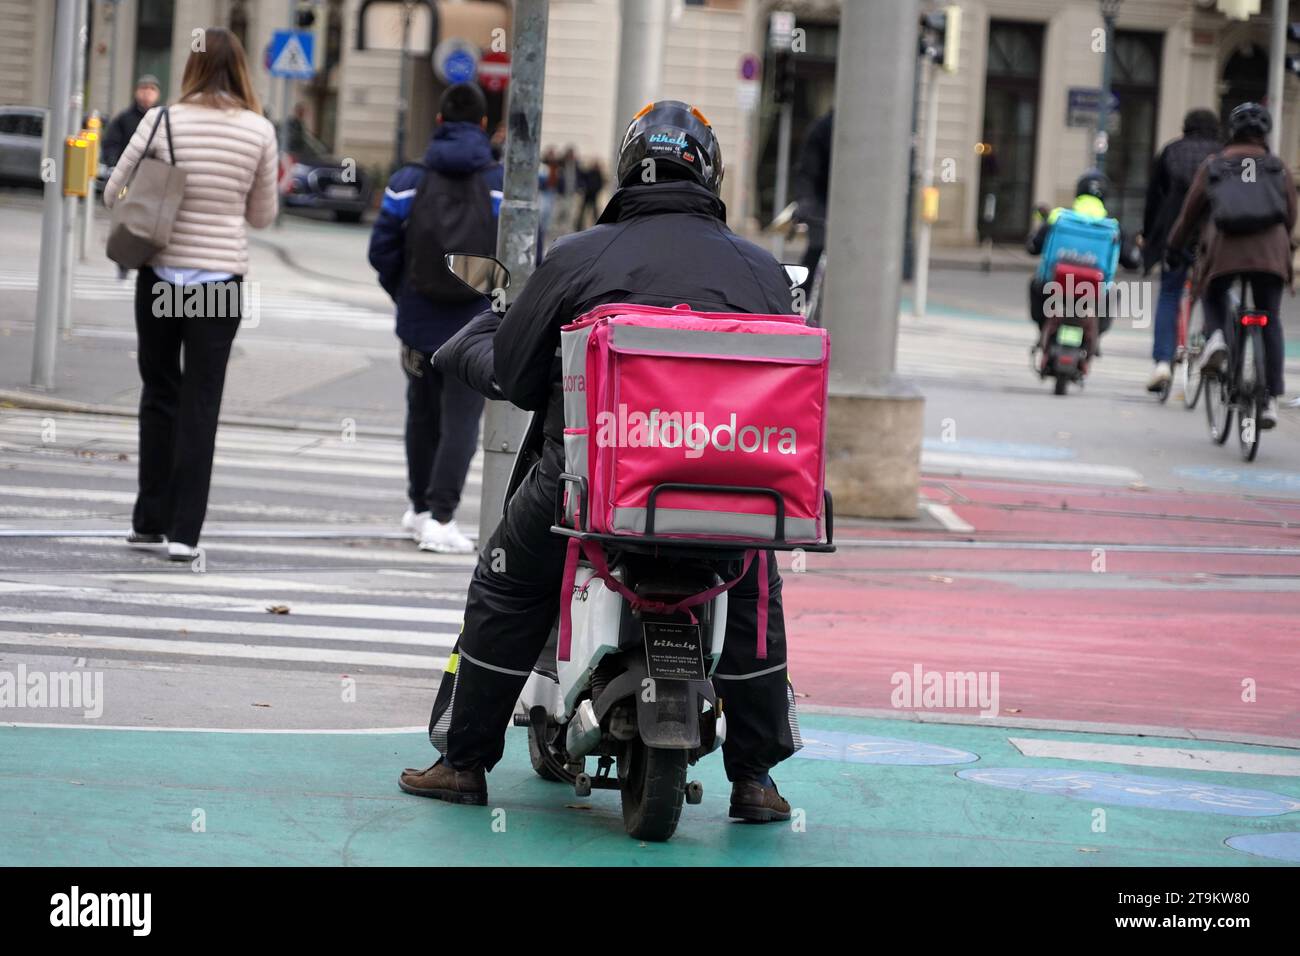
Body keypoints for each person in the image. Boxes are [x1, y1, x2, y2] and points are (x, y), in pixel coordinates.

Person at [399, 100, 803, 822]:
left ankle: (462, 764)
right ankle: (755, 781)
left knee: (507, 587)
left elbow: (517, 376)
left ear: (626, 168)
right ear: (710, 172)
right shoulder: (763, 273)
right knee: (754, 593)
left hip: (589, 487)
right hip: (730, 492)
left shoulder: (581, 257)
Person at [104, 30, 278, 561]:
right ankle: (185, 534)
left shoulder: (160, 120)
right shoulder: (259, 131)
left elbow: (114, 192)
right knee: (202, 403)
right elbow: (263, 216)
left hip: (161, 275)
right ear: (242, 69)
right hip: (220, 282)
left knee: (160, 394)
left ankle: (148, 521)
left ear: (192, 67)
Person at [368, 83, 503, 554]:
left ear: (440, 121)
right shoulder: (501, 184)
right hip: (475, 326)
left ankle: (420, 509)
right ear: (484, 124)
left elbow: (381, 248)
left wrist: (403, 293)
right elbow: (528, 255)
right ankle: (443, 519)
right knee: (461, 423)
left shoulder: (408, 179)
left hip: (418, 322)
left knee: (420, 413)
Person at [1168, 102, 1295, 428]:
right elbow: (1291, 215)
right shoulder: (1278, 167)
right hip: (1270, 252)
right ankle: (1268, 399)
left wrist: (1174, 246)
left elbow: (1190, 212)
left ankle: (1218, 339)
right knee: (1271, 319)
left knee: (1214, 290)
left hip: (1225, 250)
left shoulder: (1215, 164)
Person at [1139, 109, 1221, 393]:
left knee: (1169, 295)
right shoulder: (1223, 155)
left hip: (1176, 236)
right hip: (1213, 238)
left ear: (1186, 127)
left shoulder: (1172, 151)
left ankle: (1162, 362)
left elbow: (1154, 198)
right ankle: (1216, 344)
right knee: (1214, 294)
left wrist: (1149, 236)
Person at [1025, 170, 1134, 371]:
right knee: (1113, 295)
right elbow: (1132, 261)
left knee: (1035, 285)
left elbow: (1033, 247)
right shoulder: (1113, 227)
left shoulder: (1058, 217)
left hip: (1053, 287)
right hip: (1095, 293)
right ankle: (1095, 339)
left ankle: (1043, 330)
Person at [793, 110, 833, 290]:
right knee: (816, 249)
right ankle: (799, 300)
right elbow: (807, 171)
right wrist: (805, 202)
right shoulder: (824, 127)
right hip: (820, 200)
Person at [100, 74, 161, 168]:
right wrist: (115, 165)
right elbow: (111, 145)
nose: (147, 92)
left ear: (158, 94)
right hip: (127, 171)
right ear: (136, 92)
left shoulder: (163, 120)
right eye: (143, 88)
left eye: (152, 89)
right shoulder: (123, 119)